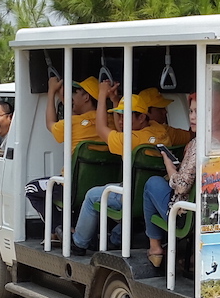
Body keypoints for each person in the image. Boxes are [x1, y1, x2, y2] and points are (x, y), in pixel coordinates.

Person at [144, 92, 220, 267]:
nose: (193, 117)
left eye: (199, 111)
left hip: (187, 215)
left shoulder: (200, 144)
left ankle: (155, 248)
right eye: (191, 112)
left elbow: (182, 187)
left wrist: (170, 167)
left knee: (152, 183)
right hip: (218, 215)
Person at [70, 87, 174, 255]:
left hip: (130, 197)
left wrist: (102, 96)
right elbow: (187, 135)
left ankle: (79, 242)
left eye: (125, 116)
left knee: (91, 196)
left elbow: (101, 129)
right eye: (119, 115)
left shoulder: (129, 140)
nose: (120, 121)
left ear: (141, 117)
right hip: (153, 198)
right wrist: (115, 101)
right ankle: (116, 238)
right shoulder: (162, 131)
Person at [24, 77, 102, 229]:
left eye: (76, 92)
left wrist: (51, 92)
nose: (72, 96)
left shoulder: (74, 124)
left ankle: (58, 228)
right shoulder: (109, 122)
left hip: (71, 186)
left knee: (31, 188)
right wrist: (64, 99)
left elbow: (50, 124)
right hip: (99, 185)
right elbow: (81, 120)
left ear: (86, 97)